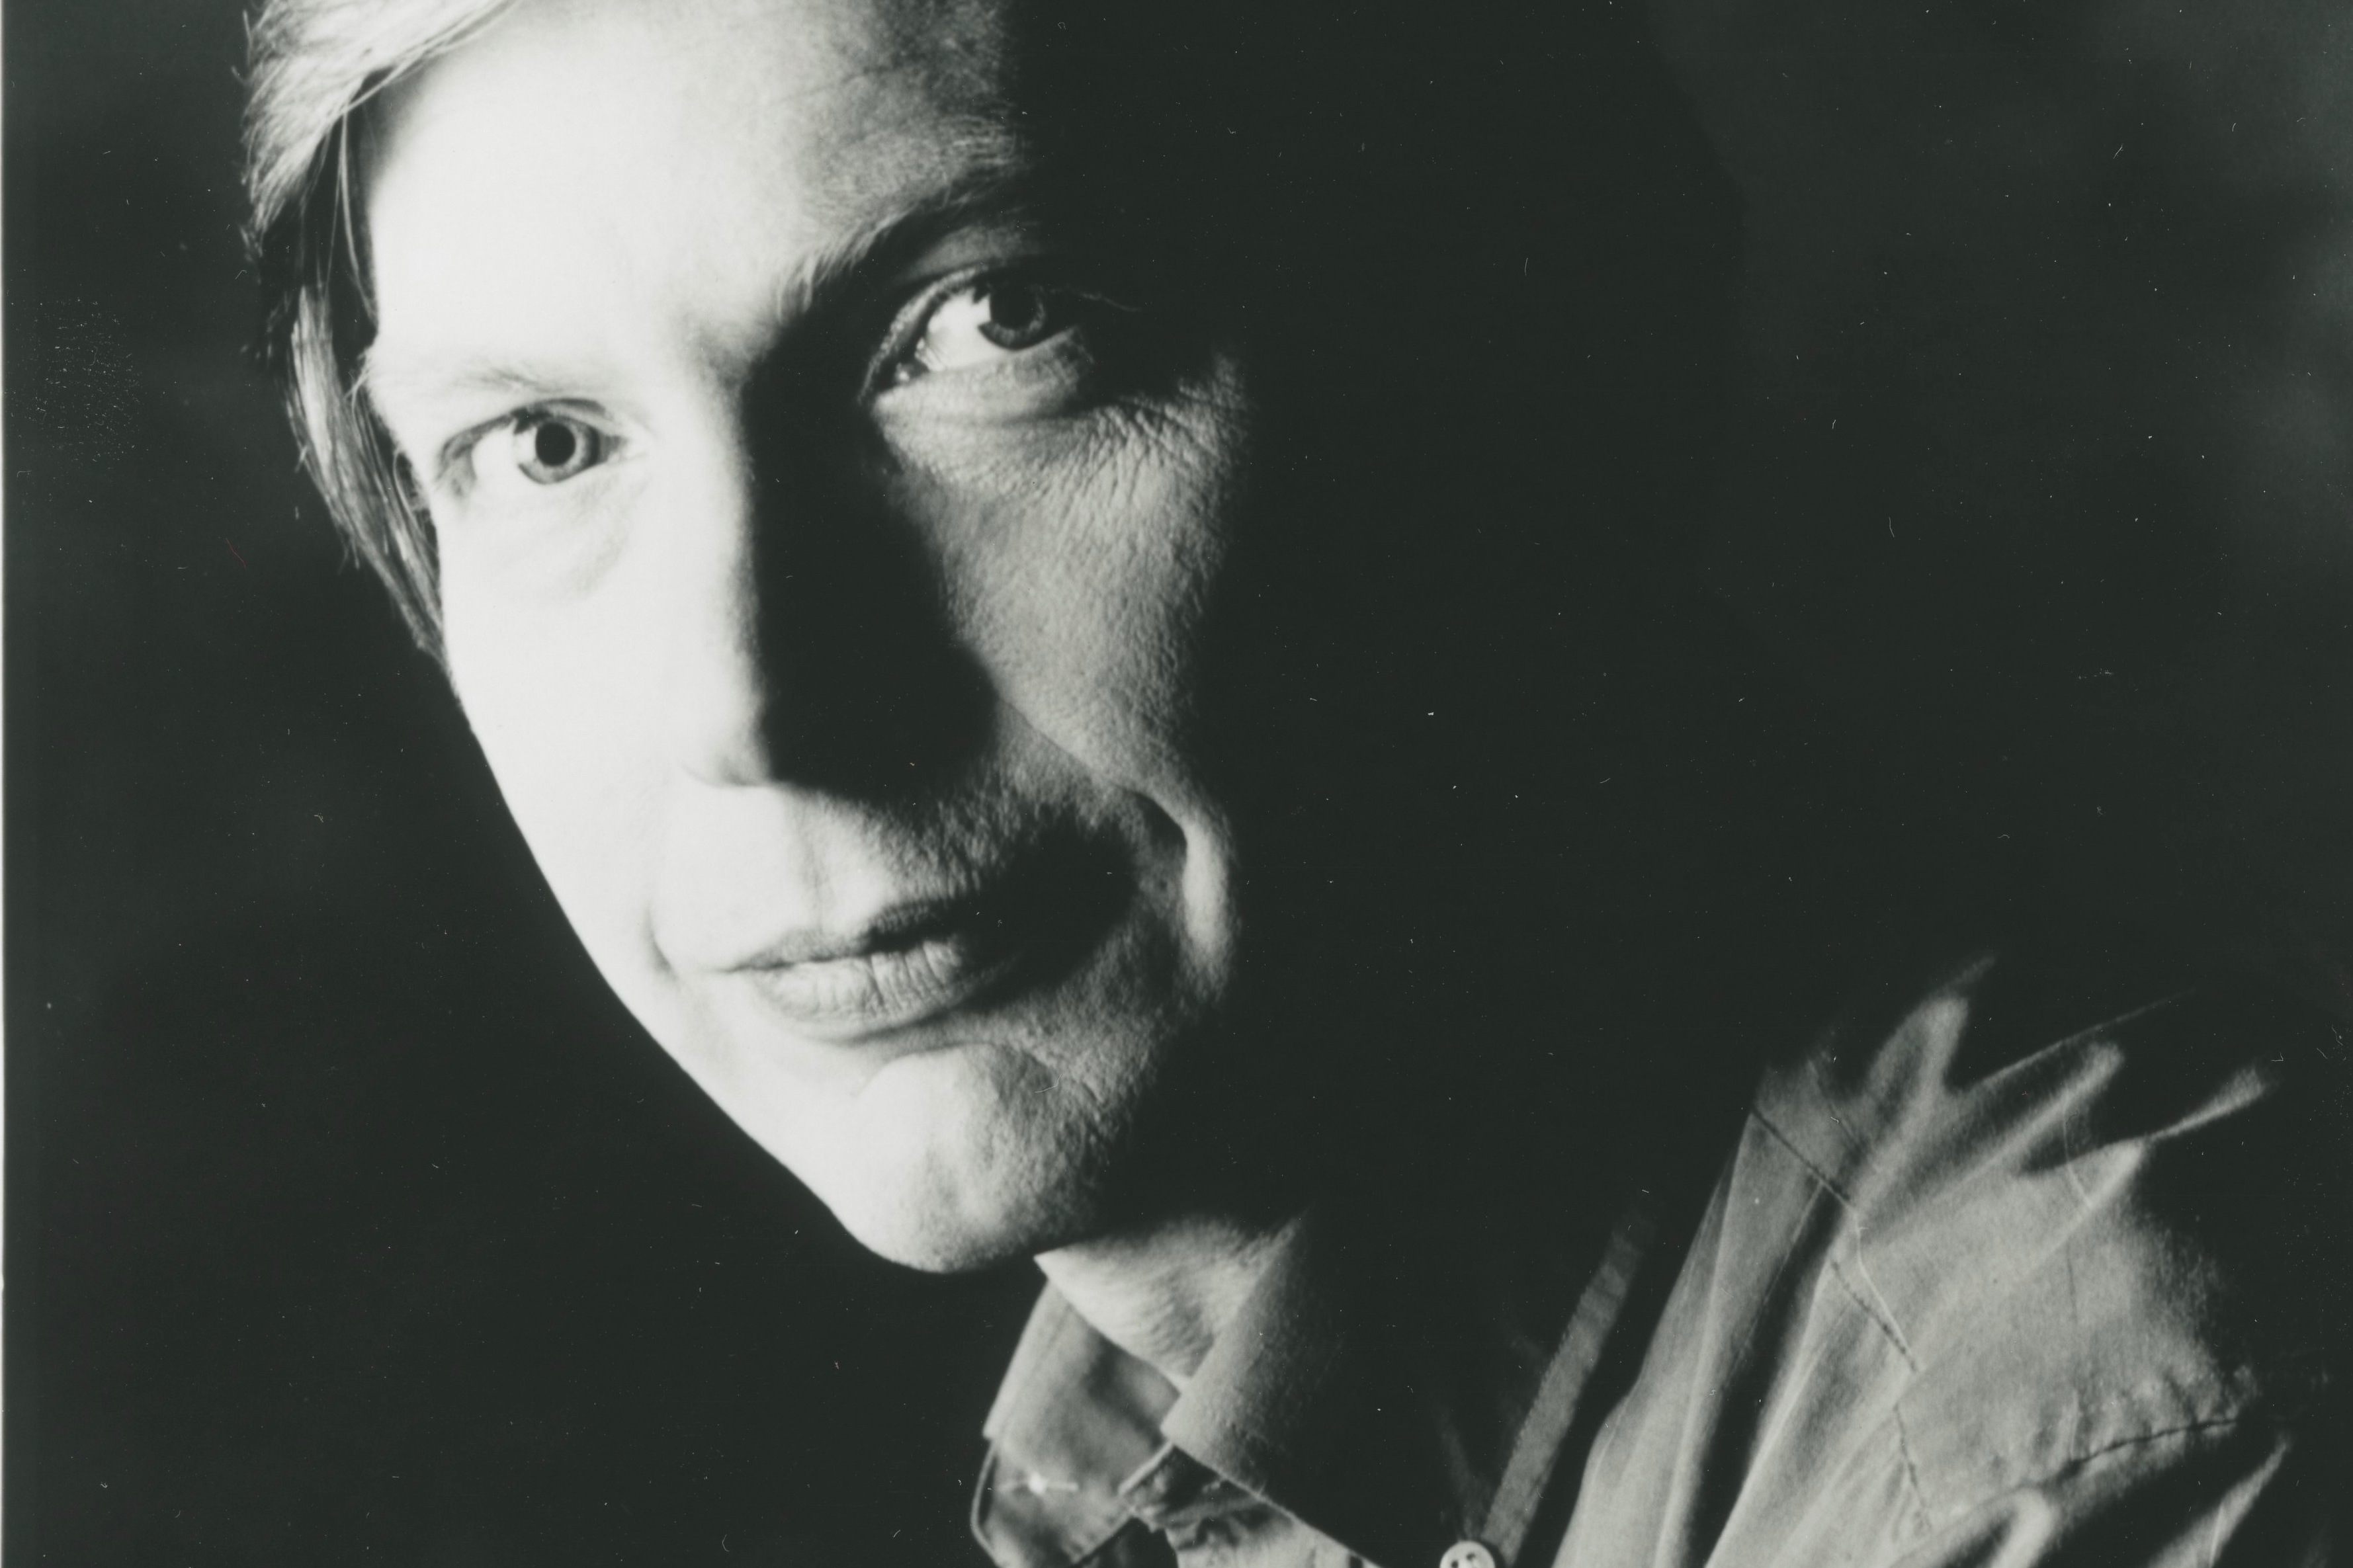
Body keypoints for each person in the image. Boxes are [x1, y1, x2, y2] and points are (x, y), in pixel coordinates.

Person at [241, 0, 2343, 1562]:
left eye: (995, 319)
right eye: (542, 445)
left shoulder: (2061, 1444)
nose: (758, 705)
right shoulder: (1171, 1422)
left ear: (1519, 348)